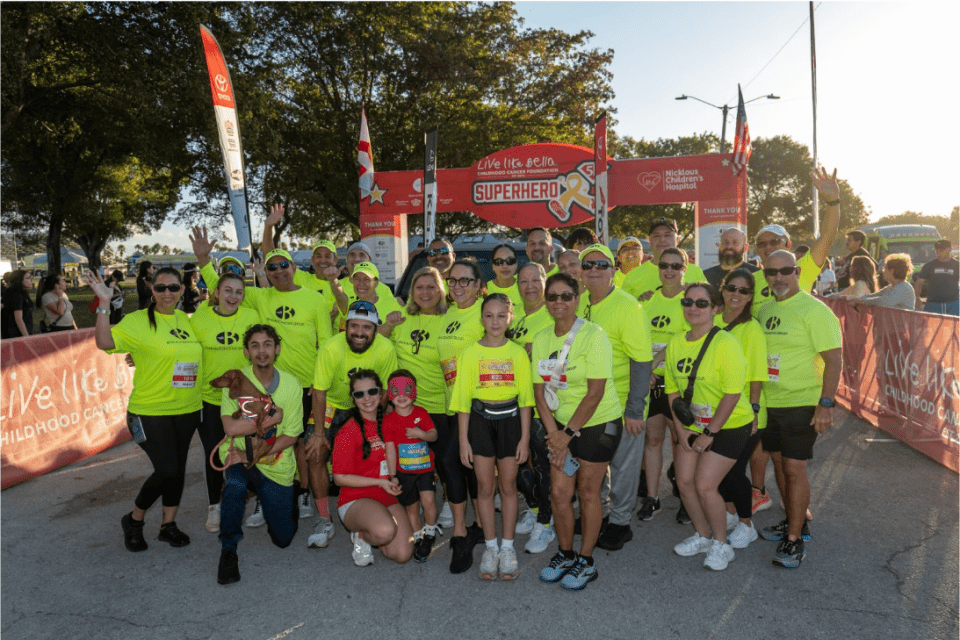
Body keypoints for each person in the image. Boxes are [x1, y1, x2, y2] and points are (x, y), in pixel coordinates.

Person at [192, 229, 334, 526]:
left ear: (295, 268)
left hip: (305, 385)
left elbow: (327, 345)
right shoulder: (258, 296)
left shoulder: (316, 301)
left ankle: (303, 492)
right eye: (272, 266)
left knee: (297, 442)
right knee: (260, 439)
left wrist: (319, 384)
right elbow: (224, 287)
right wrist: (204, 259)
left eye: (284, 265)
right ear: (266, 273)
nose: (279, 270)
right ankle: (260, 498)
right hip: (264, 386)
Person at [85, 267, 202, 553]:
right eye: (161, 288)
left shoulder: (189, 321)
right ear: (152, 289)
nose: (167, 293)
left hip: (187, 408)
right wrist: (102, 304)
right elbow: (104, 342)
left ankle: (168, 525)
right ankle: (134, 519)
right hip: (149, 411)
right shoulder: (137, 321)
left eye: (173, 288)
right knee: (167, 469)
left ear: (182, 290)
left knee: (177, 470)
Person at [533, 273, 623, 591]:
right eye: (552, 296)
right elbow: (539, 393)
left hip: (601, 423)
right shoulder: (542, 338)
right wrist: (553, 435)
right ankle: (565, 553)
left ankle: (586, 561)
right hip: (560, 428)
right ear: (546, 300)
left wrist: (567, 434)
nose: (559, 302)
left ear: (577, 298)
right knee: (559, 492)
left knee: (587, 491)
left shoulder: (594, 335)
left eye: (566, 296)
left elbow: (595, 392)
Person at [757, 250, 842, 568]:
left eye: (786, 270)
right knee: (779, 466)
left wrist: (826, 404)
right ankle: (794, 521)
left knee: (794, 470)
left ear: (797, 272)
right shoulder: (765, 310)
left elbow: (835, 359)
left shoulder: (815, 311)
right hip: (772, 403)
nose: (778, 277)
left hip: (802, 402)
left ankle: (794, 541)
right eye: (771, 272)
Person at [666, 282, 755, 571]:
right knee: (684, 483)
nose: (693, 308)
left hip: (728, 425)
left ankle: (721, 544)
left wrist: (709, 433)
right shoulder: (677, 343)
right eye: (688, 302)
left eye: (701, 303)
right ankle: (702, 535)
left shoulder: (726, 343)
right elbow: (672, 392)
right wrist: (681, 432)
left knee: (705, 486)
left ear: (716, 308)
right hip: (691, 425)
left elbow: (732, 395)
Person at [452, 293, 533, 580]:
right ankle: (490, 547)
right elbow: (462, 401)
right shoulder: (470, 353)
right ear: (481, 318)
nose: (495, 321)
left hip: (510, 424)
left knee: (509, 487)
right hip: (480, 424)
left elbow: (526, 400)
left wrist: (524, 439)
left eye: (501, 315)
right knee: (485, 489)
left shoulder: (518, 353)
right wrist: (463, 441)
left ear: (510, 317)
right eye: (489, 315)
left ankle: (507, 548)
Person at [577, 244, 652, 552]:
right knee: (593, 464)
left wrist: (635, 408)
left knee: (622, 466)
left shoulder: (627, 305)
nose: (594, 270)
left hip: (621, 404)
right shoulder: (577, 302)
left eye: (602, 264)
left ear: (613, 270)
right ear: (580, 273)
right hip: (585, 404)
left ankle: (620, 522)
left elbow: (642, 360)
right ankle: (602, 514)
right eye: (588, 265)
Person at [215, 324, 303, 585]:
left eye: (267, 345)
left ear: (277, 349)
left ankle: (286, 498)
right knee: (234, 485)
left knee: (283, 540)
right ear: (246, 351)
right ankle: (228, 549)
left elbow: (292, 436)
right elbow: (231, 428)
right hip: (237, 453)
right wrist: (271, 420)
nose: (261, 351)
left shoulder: (291, 384)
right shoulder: (236, 378)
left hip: (275, 460)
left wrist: (255, 453)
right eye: (255, 345)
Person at [309, 301, 398, 549]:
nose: (359, 332)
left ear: (375, 329)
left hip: (367, 404)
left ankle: (375, 498)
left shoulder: (386, 347)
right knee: (315, 452)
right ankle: (324, 518)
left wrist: (384, 426)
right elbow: (319, 391)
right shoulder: (330, 347)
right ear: (345, 327)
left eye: (366, 327)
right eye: (354, 326)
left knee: (382, 446)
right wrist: (318, 433)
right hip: (333, 404)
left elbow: (386, 393)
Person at [379, 267, 453, 530]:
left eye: (431, 287)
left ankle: (444, 502)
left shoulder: (449, 319)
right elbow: (377, 342)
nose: (425, 292)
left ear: (441, 291)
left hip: (438, 404)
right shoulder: (402, 320)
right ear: (411, 292)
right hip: (403, 406)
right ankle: (414, 500)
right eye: (419, 287)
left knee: (443, 460)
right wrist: (387, 324)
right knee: (406, 457)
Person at [189, 272, 261, 533]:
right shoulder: (200, 317)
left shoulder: (251, 317)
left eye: (238, 292)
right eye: (227, 290)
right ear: (216, 293)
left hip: (243, 398)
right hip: (210, 398)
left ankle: (252, 496)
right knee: (214, 452)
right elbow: (183, 348)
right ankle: (214, 506)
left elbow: (260, 350)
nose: (233, 296)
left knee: (248, 450)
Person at [435, 258, 487, 573]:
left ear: (479, 286)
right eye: (452, 281)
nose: (457, 286)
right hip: (450, 401)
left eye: (464, 281)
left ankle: (459, 531)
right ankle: (479, 523)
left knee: (448, 460)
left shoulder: (484, 313)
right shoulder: (449, 312)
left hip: (478, 405)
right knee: (467, 468)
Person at [332, 370, 414, 566]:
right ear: (353, 398)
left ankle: (376, 532)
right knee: (384, 531)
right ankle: (361, 535)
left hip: (385, 495)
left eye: (372, 391)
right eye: (359, 394)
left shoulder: (390, 422)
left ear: (381, 393)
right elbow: (339, 478)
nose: (367, 398)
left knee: (402, 554)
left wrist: (394, 479)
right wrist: (379, 482)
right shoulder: (348, 431)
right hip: (355, 499)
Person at [716, 269, 767, 551]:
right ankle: (731, 514)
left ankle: (747, 525)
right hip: (715, 410)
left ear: (750, 297)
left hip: (746, 411)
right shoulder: (710, 319)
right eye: (731, 288)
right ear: (722, 289)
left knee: (733, 470)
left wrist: (756, 411)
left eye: (743, 291)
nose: (736, 294)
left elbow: (757, 374)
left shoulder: (752, 329)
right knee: (718, 470)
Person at [638, 247, 690, 525]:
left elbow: (688, 339)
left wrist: (655, 362)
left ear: (685, 267)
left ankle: (684, 496)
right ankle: (653, 497)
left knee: (680, 440)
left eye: (675, 265)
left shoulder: (691, 301)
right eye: (664, 265)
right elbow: (637, 339)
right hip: (652, 382)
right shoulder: (646, 302)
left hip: (677, 383)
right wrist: (644, 369)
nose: (669, 270)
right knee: (653, 440)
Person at [508, 263, 557, 554]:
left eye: (535, 280)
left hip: (542, 407)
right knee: (518, 465)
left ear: (545, 282)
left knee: (542, 468)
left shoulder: (550, 316)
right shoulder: (517, 318)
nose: (529, 286)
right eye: (523, 281)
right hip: (516, 404)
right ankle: (536, 507)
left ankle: (546, 523)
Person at [381, 369, 439, 563]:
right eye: (395, 391)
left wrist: (421, 434)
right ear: (389, 395)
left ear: (414, 391)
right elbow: (389, 450)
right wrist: (392, 475)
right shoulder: (388, 421)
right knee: (411, 508)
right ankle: (418, 536)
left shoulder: (421, 413)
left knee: (429, 501)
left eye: (407, 390)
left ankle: (430, 531)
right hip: (403, 473)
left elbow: (433, 435)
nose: (401, 396)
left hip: (425, 470)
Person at [261, 204, 350, 324]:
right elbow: (271, 258)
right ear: (312, 260)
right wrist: (268, 227)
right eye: (318, 256)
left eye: (327, 256)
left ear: (335, 260)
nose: (323, 260)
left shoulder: (343, 286)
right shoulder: (300, 277)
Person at [622, 217, 706, 301]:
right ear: (650, 240)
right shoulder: (632, 276)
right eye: (657, 236)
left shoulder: (696, 272)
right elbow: (622, 309)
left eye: (667, 235)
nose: (662, 240)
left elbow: (710, 304)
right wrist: (638, 302)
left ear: (677, 239)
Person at [336, 261, 403, 333]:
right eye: (357, 279)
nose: (361, 284)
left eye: (367, 280)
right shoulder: (350, 306)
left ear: (376, 282)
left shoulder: (393, 304)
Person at [848, 254, 916, 311]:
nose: (882, 271)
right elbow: (876, 295)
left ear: (892, 270)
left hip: (900, 326)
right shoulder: (892, 286)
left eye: (885, 268)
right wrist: (857, 299)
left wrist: (860, 301)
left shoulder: (903, 288)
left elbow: (883, 301)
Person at [914, 239, 959, 316]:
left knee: (953, 327)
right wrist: (916, 298)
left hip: (953, 304)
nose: (938, 253)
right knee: (930, 327)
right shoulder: (929, 266)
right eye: (936, 251)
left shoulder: (957, 265)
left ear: (950, 249)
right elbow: (919, 283)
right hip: (932, 304)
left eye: (941, 250)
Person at [486, 243, 523, 310]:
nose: (505, 266)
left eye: (510, 261)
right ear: (493, 266)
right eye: (499, 261)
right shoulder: (484, 290)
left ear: (516, 264)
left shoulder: (526, 286)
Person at [2, 270, 34, 338]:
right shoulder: (16, 295)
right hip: (17, 335)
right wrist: (27, 337)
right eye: (27, 278)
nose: (30, 280)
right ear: (19, 280)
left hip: (16, 333)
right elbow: (18, 319)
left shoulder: (20, 293)